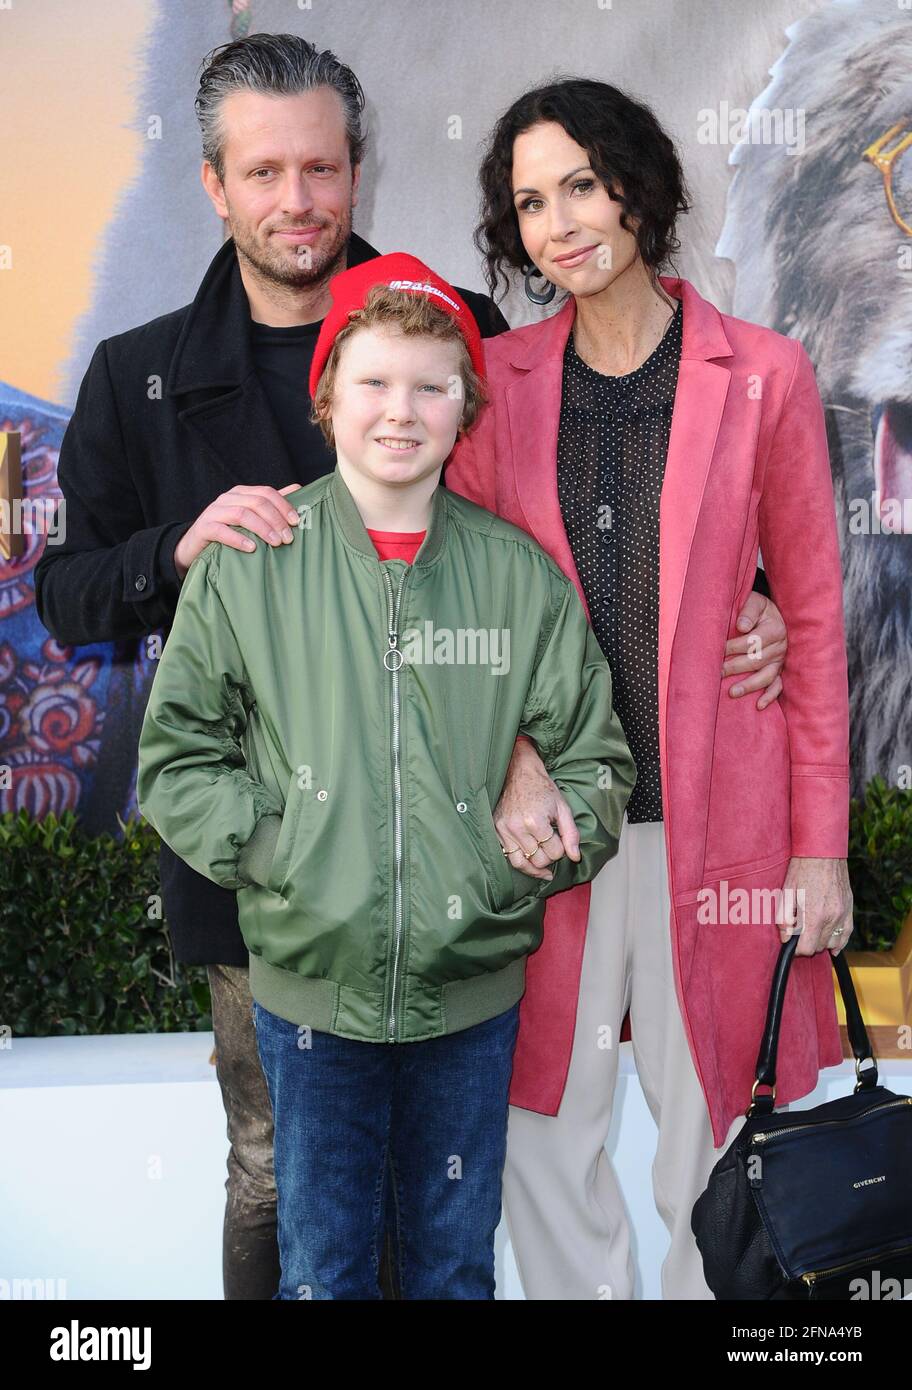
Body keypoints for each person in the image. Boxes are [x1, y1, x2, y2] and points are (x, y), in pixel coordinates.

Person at [32, 33, 511, 1300]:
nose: (297, 201)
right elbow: (65, 595)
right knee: (276, 1162)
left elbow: (554, 530)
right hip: (260, 850)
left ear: (357, 171)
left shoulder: (458, 333)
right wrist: (171, 552)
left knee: (440, 1171)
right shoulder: (136, 378)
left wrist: (750, 604)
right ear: (213, 184)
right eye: (265, 173)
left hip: (445, 840)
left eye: (321, 167)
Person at [135, 253, 638, 1299]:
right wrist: (286, 852)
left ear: (467, 409)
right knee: (324, 1272)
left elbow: (598, 760)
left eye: (431, 386)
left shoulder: (515, 578)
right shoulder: (253, 564)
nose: (399, 411)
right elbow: (178, 756)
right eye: (372, 382)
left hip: (471, 999)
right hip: (312, 1004)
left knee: (454, 1267)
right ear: (326, 399)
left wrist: (535, 853)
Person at [443, 77, 853, 1300]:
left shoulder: (764, 373)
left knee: (715, 1134)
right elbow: (455, 605)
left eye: (580, 184)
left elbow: (818, 622)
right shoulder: (492, 385)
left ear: (639, 187)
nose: (559, 222)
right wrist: (505, 755)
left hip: (718, 824)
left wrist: (820, 852)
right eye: (529, 201)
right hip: (551, 831)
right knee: (540, 1131)